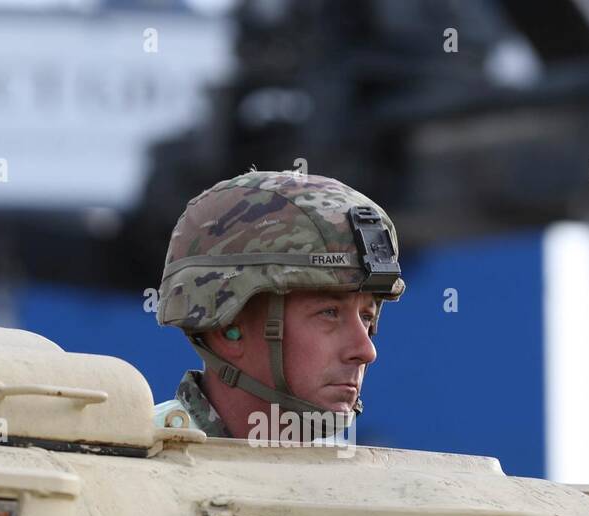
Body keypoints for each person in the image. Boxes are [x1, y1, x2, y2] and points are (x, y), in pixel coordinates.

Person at [153, 170, 405, 440]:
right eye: (329, 313)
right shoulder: (134, 464)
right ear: (228, 329)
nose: (366, 351)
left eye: (366, 317)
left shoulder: (348, 475)